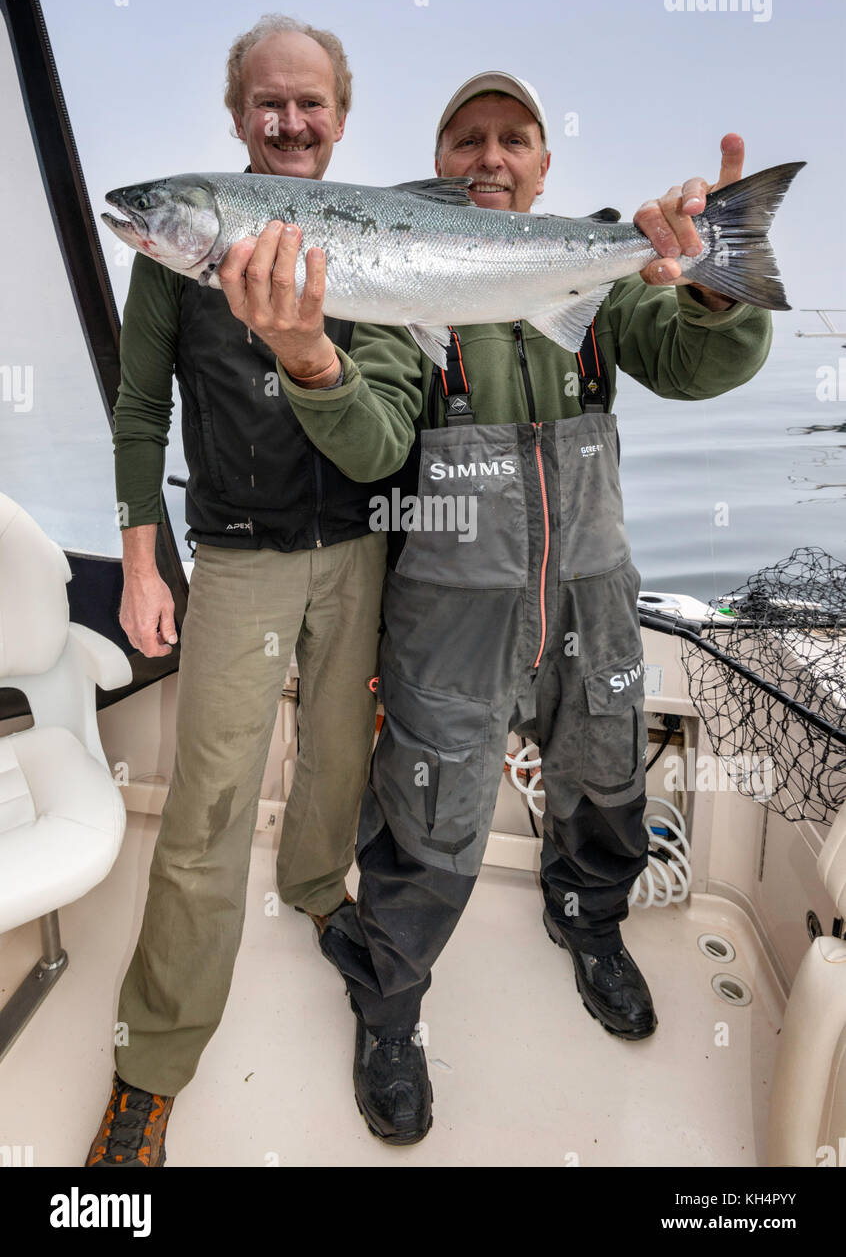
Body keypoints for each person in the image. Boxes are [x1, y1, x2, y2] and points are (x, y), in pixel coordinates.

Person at [219, 72, 773, 1147]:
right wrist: (308, 355)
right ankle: (389, 1006)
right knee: (428, 805)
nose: (490, 157)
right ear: (438, 164)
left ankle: (589, 919)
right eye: (467, 140)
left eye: (514, 139)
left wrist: (713, 282)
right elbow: (378, 442)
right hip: (449, 601)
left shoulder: (601, 275)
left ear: (544, 166)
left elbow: (701, 362)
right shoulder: (395, 280)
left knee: (605, 772)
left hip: (593, 587)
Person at [86, 16, 388, 1168]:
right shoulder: (172, 247)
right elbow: (137, 406)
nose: (290, 121)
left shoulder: (373, 235)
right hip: (242, 554)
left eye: (310, 103)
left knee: (340, 757)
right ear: (236, 118)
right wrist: (145, 559)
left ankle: (318, 886)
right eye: (268, 103)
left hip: (363, 544)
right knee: (206, 807)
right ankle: (151, 1062)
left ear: (340, 118)